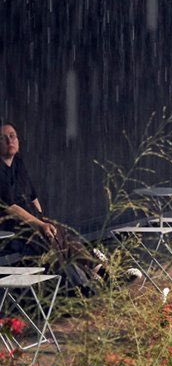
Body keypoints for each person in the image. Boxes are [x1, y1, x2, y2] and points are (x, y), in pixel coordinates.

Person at [1, 122, 106, 291]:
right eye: (3, 138)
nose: (9, 140)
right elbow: (10, 207)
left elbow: (33, 196)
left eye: (12, 136)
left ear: (18, 140)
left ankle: (91, 277)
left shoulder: (18, 163)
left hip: (30, 225)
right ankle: (88, 279)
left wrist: (43, 220)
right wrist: (41, 224)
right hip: (11, 231)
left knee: (57, 234)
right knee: (52, 239)